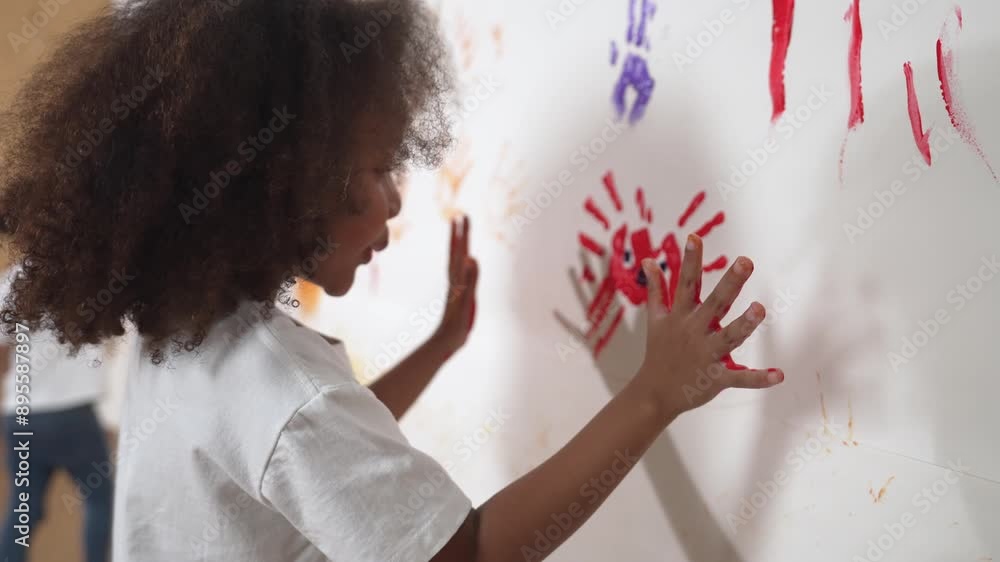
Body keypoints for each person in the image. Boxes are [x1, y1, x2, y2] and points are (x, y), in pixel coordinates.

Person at [0, 1, 784, 560]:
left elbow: (296, 455)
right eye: (371, 171)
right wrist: (653, 394)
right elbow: (468, 552)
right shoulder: (281, 388)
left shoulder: (188, 330)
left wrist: (441, 345)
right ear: (281, 187)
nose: (396, 195)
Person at [0, 264, 112, 562]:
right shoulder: (87, 274)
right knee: (101, 500)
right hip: (72, 413)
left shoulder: (11, 282)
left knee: (23, 509)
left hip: (21, 415)